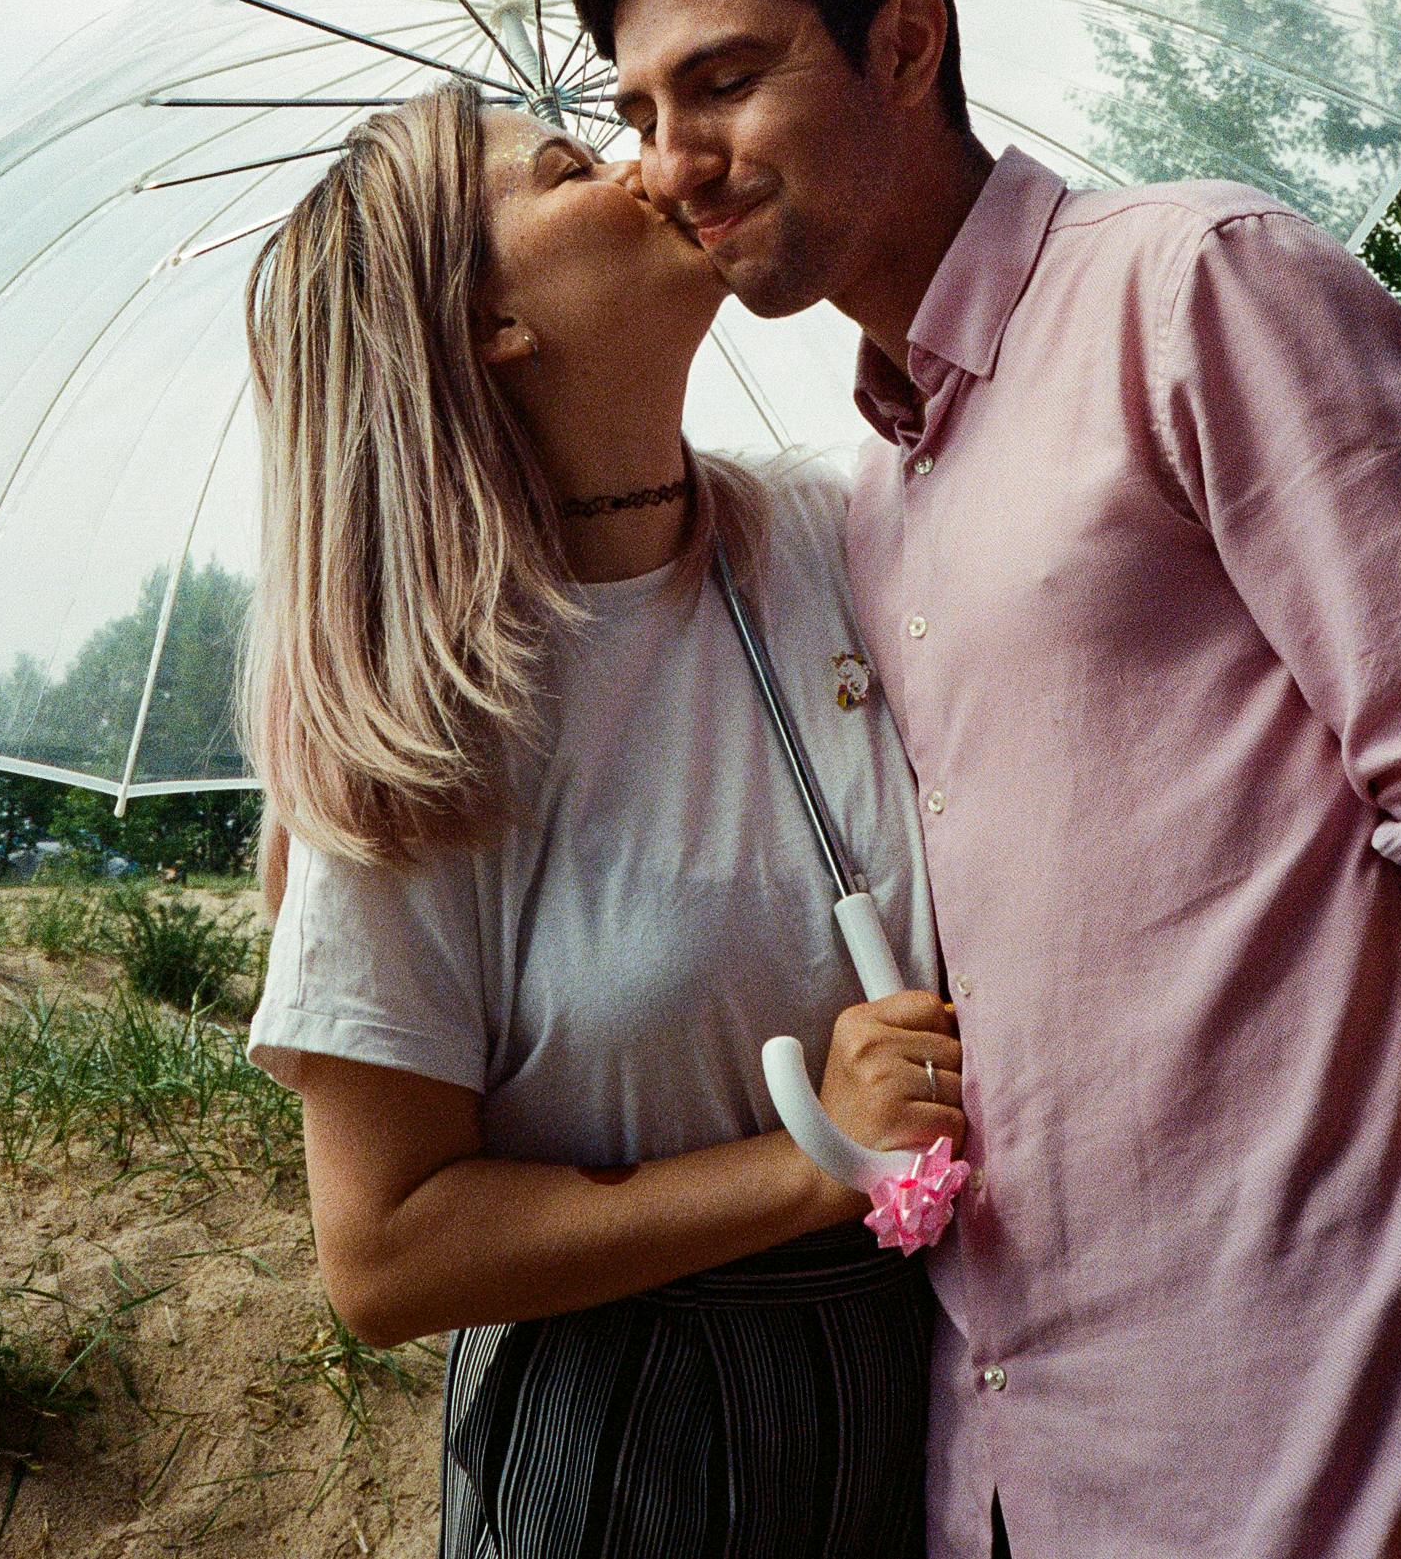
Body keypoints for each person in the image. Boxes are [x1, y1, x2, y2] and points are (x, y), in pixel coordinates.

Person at [573, 0, 1401, 1559]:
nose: (667, 160)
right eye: (635, 113)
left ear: (902, 40)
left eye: (724, 81)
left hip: (1312, 1461)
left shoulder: (1192, 292)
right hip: (1005, 1465)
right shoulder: (876, 497)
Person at [238, 82, 961, 1558]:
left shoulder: (839, 536)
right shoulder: (423, 733)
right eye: (571, 165)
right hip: (633, 1432)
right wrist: (811, 1164)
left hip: (931, 1378)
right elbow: (382, 1251)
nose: (649, 167)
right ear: (492, 323)